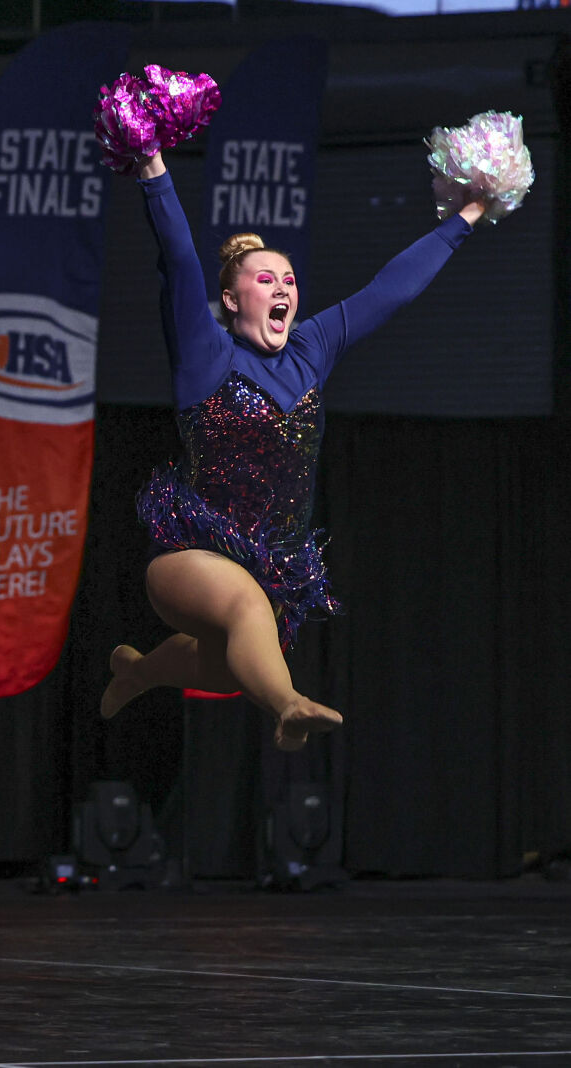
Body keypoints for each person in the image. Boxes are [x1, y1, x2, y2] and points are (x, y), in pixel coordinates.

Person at [100, 151, 484, 750]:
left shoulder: (311, 350)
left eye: (289, 280)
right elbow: (177, 259)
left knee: (227, 671)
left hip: (267, 563)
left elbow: (391, 290)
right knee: (245, 612)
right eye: (264, 279)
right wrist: (152, 169)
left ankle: (139, 671)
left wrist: (469, 214)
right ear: (231, 300)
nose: (282, 288)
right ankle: (288, 705)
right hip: (186, 557)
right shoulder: (206, 355)